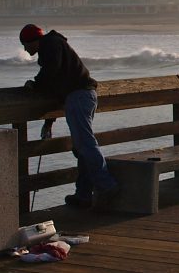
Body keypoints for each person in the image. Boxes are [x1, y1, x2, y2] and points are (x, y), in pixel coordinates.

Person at [20, 24, 117, 210]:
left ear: (33, 40)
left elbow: (51, 73)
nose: (25, 49)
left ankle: (106, 185)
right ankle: (83, 194)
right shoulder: (53, 44)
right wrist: (49, 121)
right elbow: (56, 86)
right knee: (81, 147)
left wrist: (35, 84)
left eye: (25, 44)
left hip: (78, 96)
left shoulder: (50, 46)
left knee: (85, 144)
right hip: (83, 96)